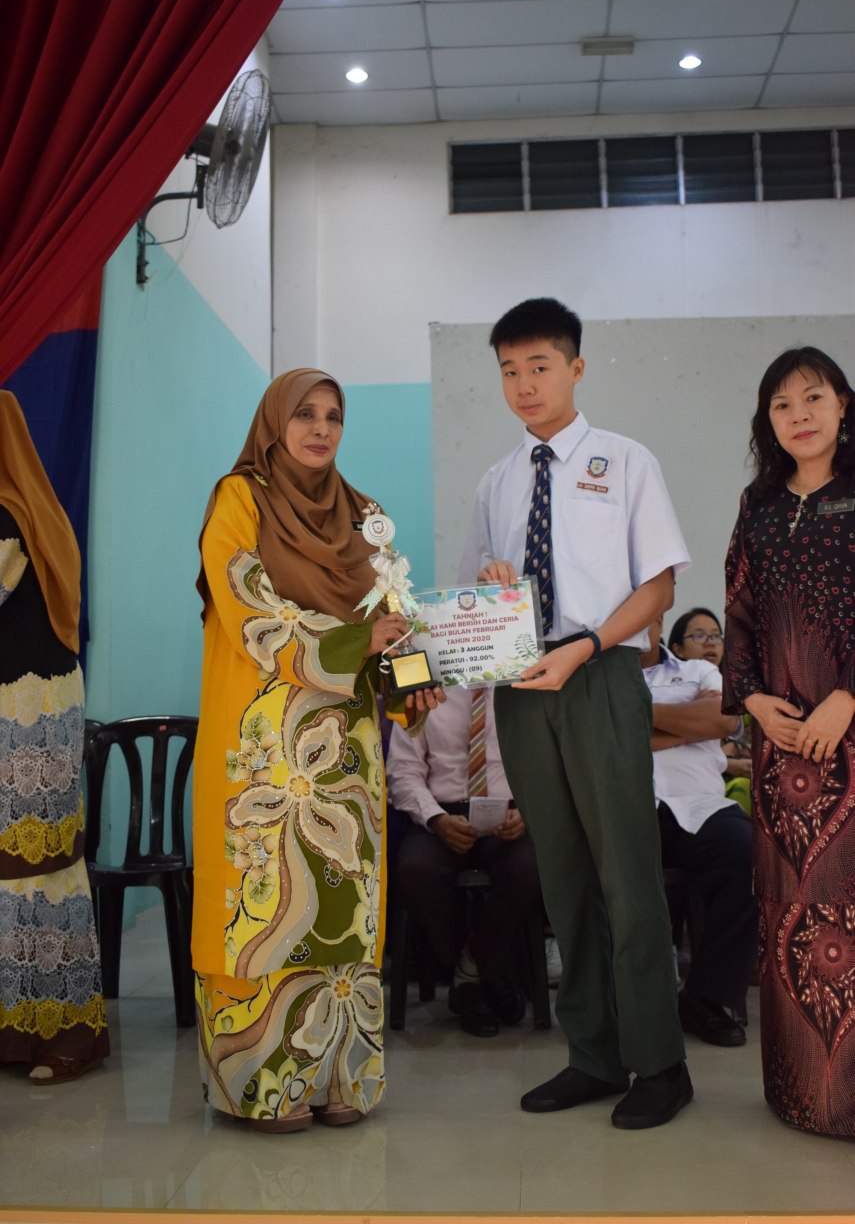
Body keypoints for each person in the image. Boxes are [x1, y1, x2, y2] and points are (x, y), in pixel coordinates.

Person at [460, 298, 692, 1130]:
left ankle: (659, 1063)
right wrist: (486, 595)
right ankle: (592, 1055)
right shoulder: (495, 480)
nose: (523, 385)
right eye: (508, 371)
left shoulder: (624, 462)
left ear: (575, 367)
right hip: (521, 687)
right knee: (561, 877)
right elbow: (469, 605)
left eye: (539, 367)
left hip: (597, 676)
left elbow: (659, 587)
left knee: (627, 874)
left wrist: (586, 646)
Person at [192, 369, 443, 1134]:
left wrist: (413, 682)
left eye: (334, 416)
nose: (321, 428)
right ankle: (263, 1086)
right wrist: (354, 641)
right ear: (274, 421)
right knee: (267, 907)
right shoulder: (239, 498)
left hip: (348, 756)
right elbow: (250, 610)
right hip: (262, 749)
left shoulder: (365, 516)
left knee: (342, 906)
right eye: (304, 413)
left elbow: (395, 613)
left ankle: (341, 1079)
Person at [723, 345, 855, 1139]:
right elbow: (736, 612)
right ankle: (805, 1093)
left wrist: (848, 695)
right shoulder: (758, 505)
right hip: (781, 752)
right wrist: (754, 700)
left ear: (843, 404)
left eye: (812, 397)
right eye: (780, 405)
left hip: (850, 736)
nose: (798, 414)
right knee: (791, 914)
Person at [0, 391, 109, 1082]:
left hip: (27, 711)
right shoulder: (31, 509)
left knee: (33, 872)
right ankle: (23, 1030)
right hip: (30, 704)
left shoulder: (8, 516)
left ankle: (60, 1034)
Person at [387, 684, 541, 1037]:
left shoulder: (525, 688)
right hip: (441, 813)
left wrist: (530, 810)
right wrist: (436, 819)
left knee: (530, 869)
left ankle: (471, 975)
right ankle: (487, 972)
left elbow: (547, 760)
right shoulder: (421, 687)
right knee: (414, 871)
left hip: (510, 814)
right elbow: (402, 771)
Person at [641, 616, 758, 1046]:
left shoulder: (699, 671)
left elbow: (724, 722)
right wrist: (690, 726)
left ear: (657, 620)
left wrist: (638, 720)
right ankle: (628, 1002)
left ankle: (706, 998)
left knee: (748, 855)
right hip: (628, 808)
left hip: (699, 805)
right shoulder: (597, 680)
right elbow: (597, 737)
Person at [668, 608, 753, 811]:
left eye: (716, 635)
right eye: (699, 635)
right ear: (678, 649)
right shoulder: (665, 692)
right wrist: (728, 763)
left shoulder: (744, 694)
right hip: (679, 787)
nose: (710, 642)